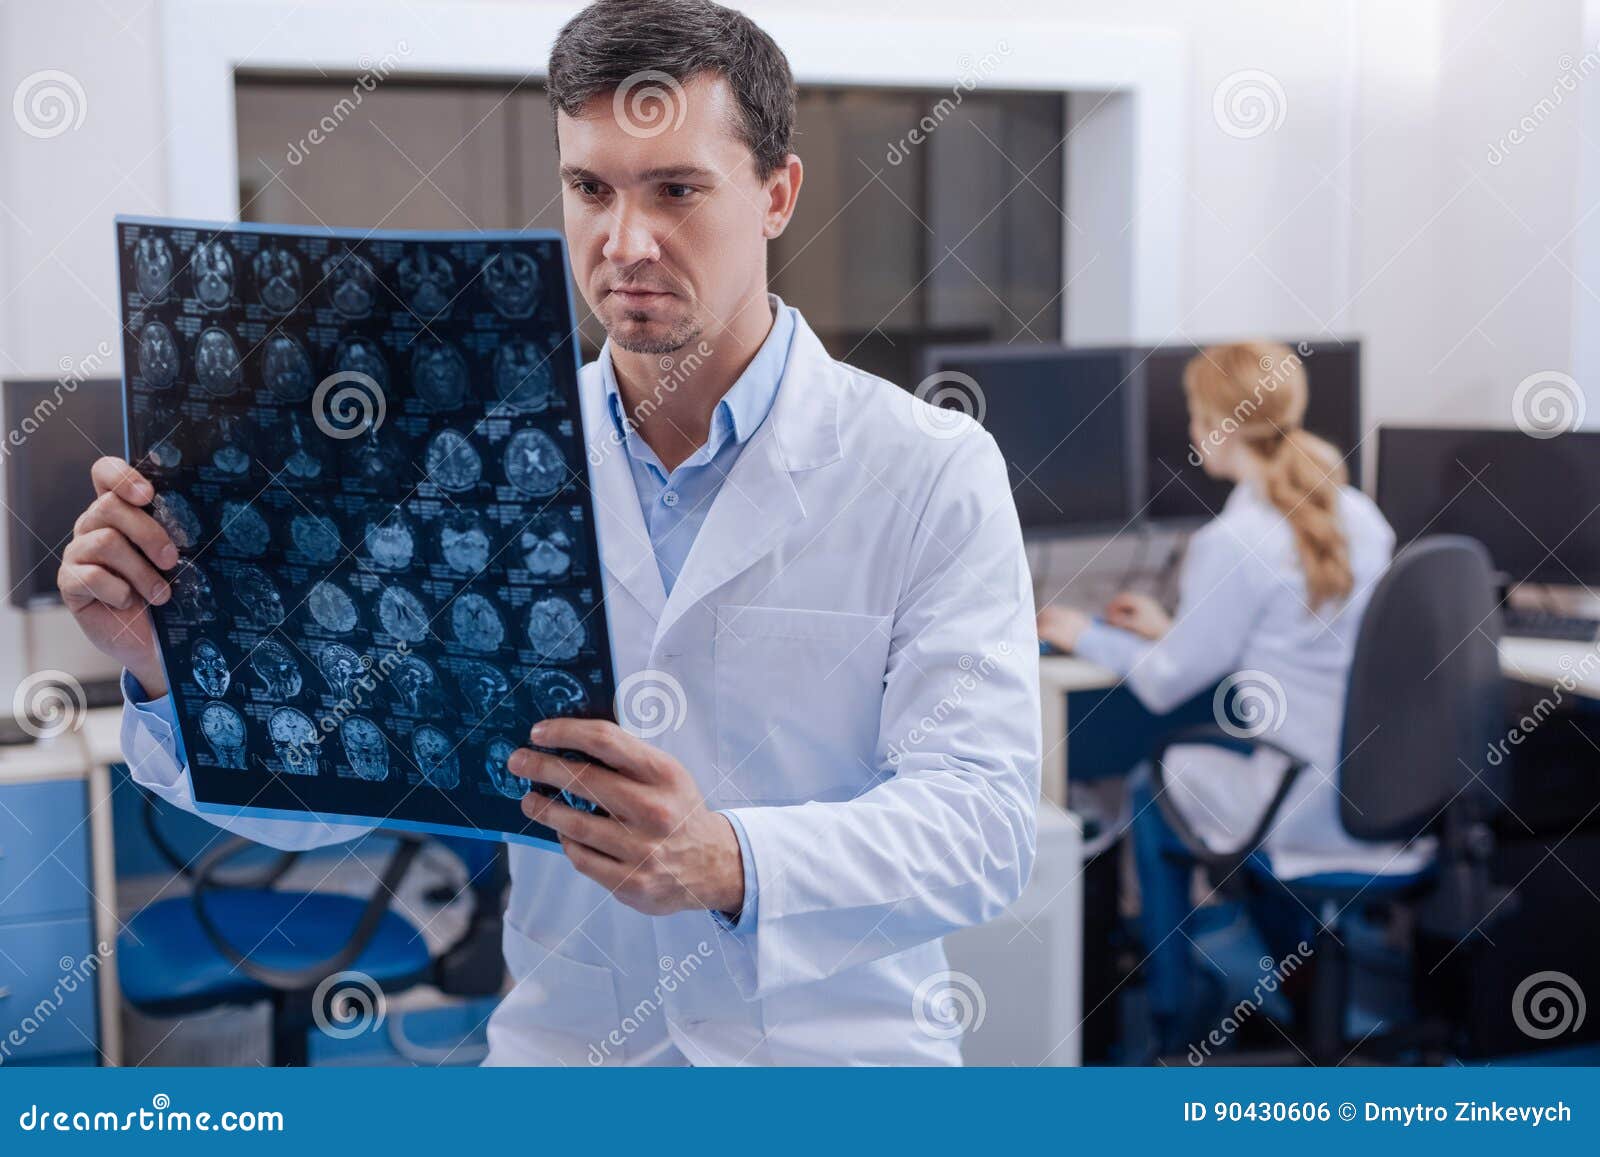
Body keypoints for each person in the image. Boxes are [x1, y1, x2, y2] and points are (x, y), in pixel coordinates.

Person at [57, 0, 1039, 1066]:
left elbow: (982, 827)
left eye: (676, 189)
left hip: (832, 1072)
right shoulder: (467, 463)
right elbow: (336, 789)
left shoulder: (928, 469)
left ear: (776, 194)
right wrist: (167, 663)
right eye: (591, 189)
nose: (626, 242)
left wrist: (730, 860)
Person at [1036, 341, 1431, 1056]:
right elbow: (1296, 636)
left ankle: (1172, 1021)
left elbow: (1166, 683)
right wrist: (1175, 630)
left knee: (1149, 789)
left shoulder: (1232, 540)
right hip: (1385, 793)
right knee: (1205, 783)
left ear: (1220, 426)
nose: (1192, 432)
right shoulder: (1359, 515)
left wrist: (1084, 632)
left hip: (1303, 797)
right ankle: (1296, 982)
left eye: (1196, 415)